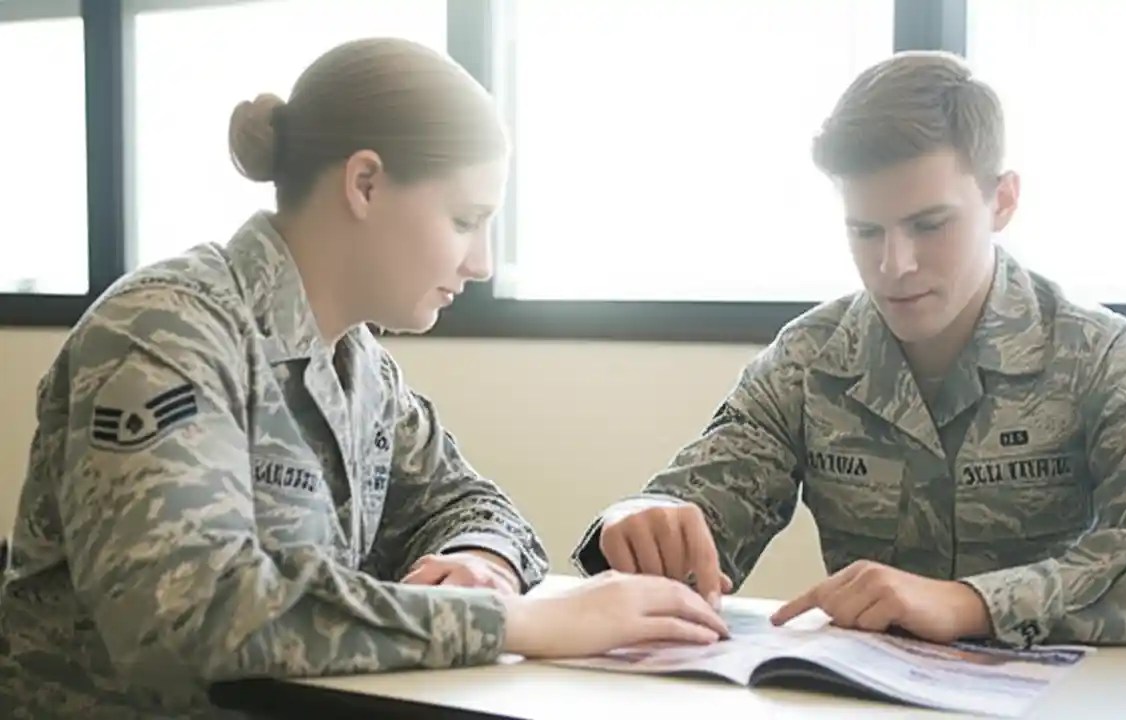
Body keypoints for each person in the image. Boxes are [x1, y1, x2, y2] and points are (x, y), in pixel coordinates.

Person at [0, 38, 727, 719]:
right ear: (366, 184)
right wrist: (512, 621)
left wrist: (479, 563)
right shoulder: (164, 331)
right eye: (465, 219)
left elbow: (476, 505)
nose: (482, 263)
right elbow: (185, 612)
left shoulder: (361, 367)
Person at [572, 50, 1126, 648]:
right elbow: (692, 519)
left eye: (929, 225)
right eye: (865, 231)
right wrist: (637, 523)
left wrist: (970, 605)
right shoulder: (808, 362)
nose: (894, 265)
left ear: (1002, 201)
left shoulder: (1098, 355)